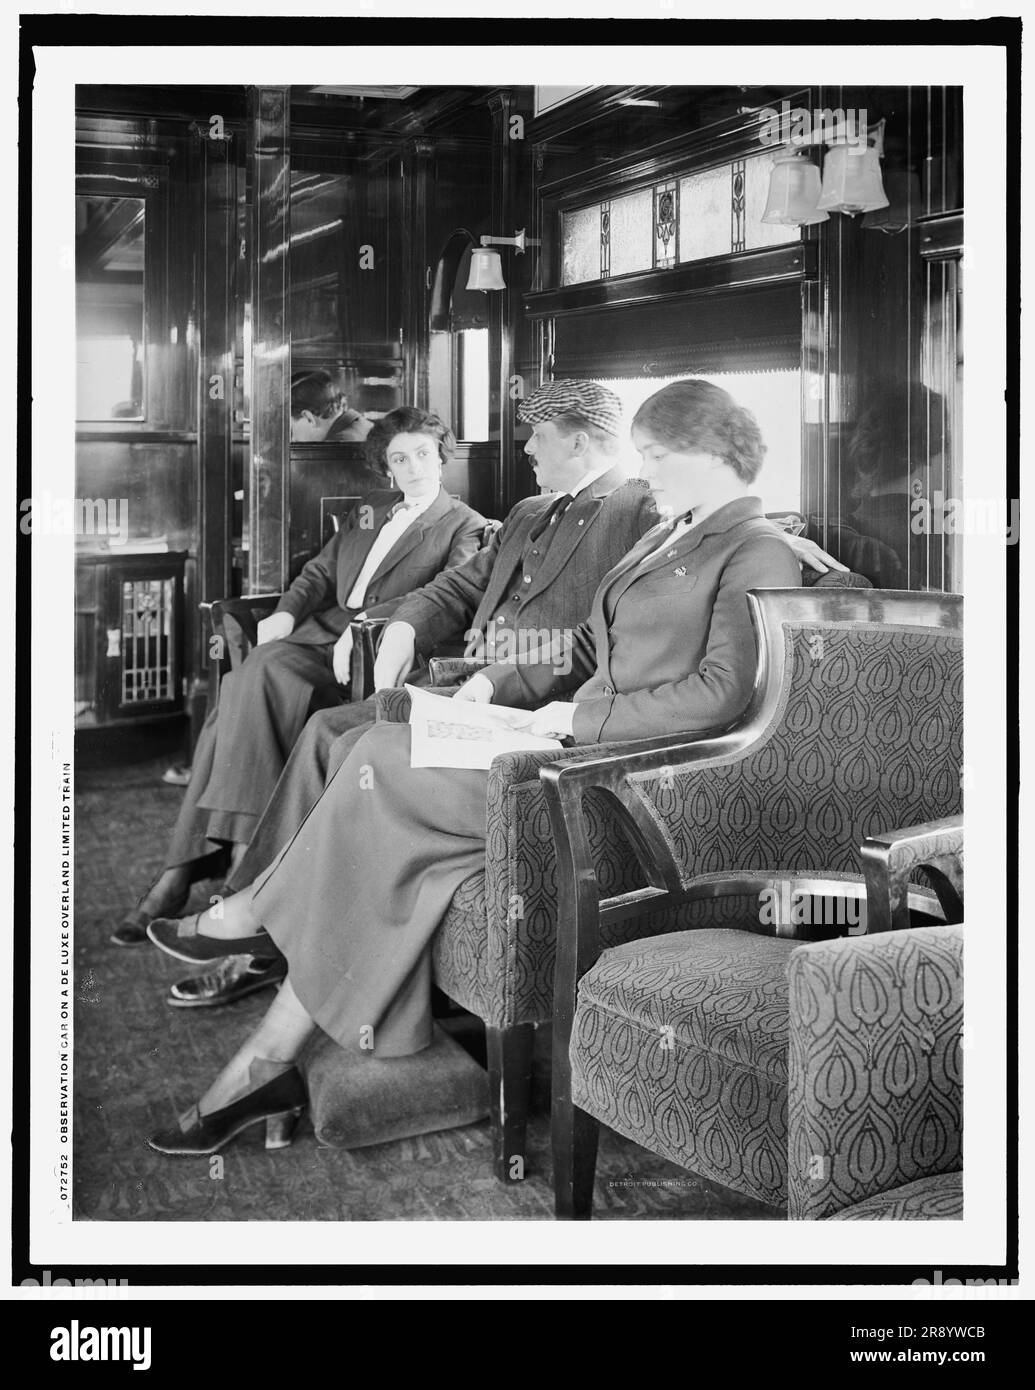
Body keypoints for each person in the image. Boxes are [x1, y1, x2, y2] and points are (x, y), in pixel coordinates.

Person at [144, 378, 803, 1155]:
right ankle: (268, 1058)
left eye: (658, 455)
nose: (646, 469)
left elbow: (727, 695)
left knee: (382, 759)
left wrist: (574, 718)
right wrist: (501, 685)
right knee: (384, 772)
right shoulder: (671, 531)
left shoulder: (755, 548)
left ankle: (256, 931)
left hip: (620, 782)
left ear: (712, 453)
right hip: (566, 742)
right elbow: (588, 648)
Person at [112, 407, 486, 946]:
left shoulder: (465, 525)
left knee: (252, 678)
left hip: (371, 654)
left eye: (423, 454)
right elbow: (318, 571)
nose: (413, 468)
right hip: (317, 636)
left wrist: (367, 623)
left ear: (442, 456)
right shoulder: (370, 509)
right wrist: (285, 612)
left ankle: (188, 871)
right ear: (386, 468)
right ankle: (230, 865)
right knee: (240, 696)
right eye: (400, 459)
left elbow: (445, 597)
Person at [289, 369, 373, 443]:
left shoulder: (334, 447)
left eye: (291, 430)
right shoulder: (361, 425)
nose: (293, 439)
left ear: (309, 418)